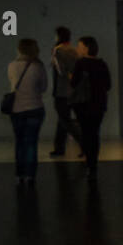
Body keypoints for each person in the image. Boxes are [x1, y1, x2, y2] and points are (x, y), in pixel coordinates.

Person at [6, 38, 48, 186]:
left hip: (17, 110)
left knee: (19, 143)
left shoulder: (12, 66)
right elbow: (43, 87)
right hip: (35, 108)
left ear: (20, 49)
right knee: (31, 143)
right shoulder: (38, 67)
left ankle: (19, 174)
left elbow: (12, 83)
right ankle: (30, 175)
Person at [70, 35, 112, 179]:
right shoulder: (102, 64)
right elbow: (108, 85)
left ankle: (89, 163)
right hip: (99, 104)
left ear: (86, 48)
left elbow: (73, 83)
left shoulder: (80, 64)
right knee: (94, 133)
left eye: (80, 46)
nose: (77, 49)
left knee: (86, 133)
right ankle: (93, 164)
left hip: (83, 104)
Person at [48, 25, 83, 157]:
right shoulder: (74, 51)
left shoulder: (57, 51)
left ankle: (82, 143)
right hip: (74, 90)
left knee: (64, 120)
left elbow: (61, 70)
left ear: (58, 36)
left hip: (61, 90)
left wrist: (54, 59)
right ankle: (59, 147)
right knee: (62, 119)